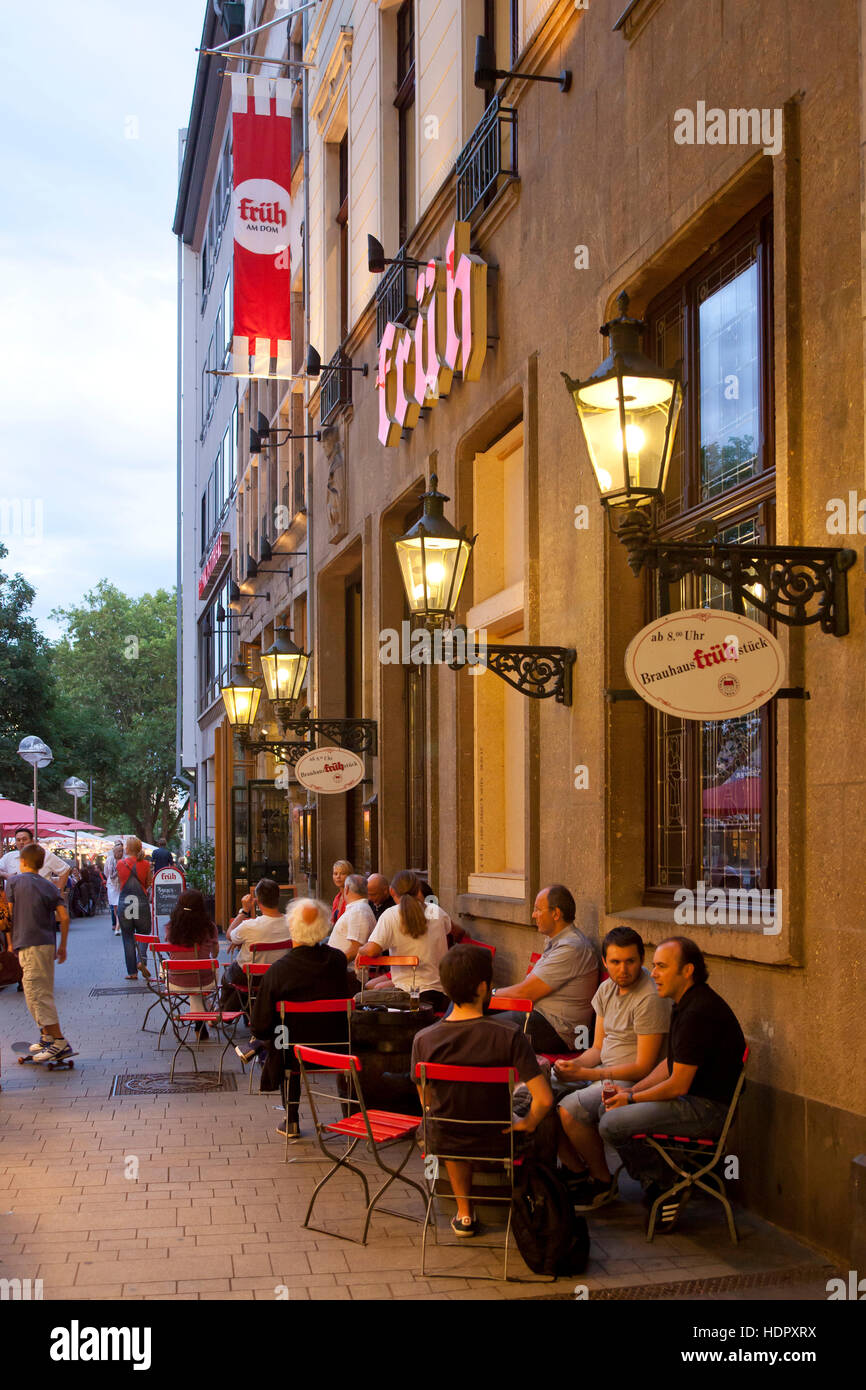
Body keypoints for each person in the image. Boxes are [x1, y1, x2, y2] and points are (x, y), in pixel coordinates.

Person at [599, 936, 746, 1231]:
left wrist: (629, 1100)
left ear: (687, 970)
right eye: (653, 966)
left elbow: (677, 1085)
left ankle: (668, 1183)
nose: (653, 973)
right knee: (610, 1114)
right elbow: (669, 1065)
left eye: (662, 966)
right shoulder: (685, 1002)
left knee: (611, 1124)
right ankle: (665, 1183)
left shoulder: (697, 1011)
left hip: (706, 1111)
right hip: (691, 1102)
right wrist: (631, 1090)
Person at [411, 944, 554, 1238]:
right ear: (483, 987)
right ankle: (534, 1200)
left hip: (443, 1137)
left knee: (448, 1116)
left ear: (447, 989)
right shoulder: (509, 1035)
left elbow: (425, 1101)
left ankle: (465, 1214)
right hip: (498, 1137)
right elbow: (545, 1100)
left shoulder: (423, 1040)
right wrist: (524, 1123)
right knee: (543, 1099)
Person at [555, 926, 671, 1206]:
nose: (624, 969)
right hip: (601, 1070)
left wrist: (589, 1074)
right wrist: (570, 1067)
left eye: (631, 961)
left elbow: (644, 1066)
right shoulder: (606, 989)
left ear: (642, 959)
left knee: (569, 1110)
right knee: (541, 1090)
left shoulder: (650, 997)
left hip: (631, 1080)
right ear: (605, 962)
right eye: (616, 962)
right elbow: (596, 1048)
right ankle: (576, 1171)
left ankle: (603, 1181)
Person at [250, 898, 352, 1139]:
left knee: (280, 1036)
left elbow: (260, 1024)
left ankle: (292, 1118)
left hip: (294, 1055)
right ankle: (350, 1117)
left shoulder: (278, 971)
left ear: (292, 929)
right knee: (284, 1035)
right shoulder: (337, 960)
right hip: (338, 1047)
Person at [491, 884, 600, 1053]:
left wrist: (489, 995)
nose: (533, 915)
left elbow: (526, 993)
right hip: (538, 1017)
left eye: (537, 909)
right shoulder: (557, 941)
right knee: (464, 1005)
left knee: (479, 1031)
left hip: (556, 1030)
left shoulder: (572, 947)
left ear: (556, 914)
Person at [7, 843, 74, 1064]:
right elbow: (63, 918)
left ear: (22, 861)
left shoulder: (14, 883)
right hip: (46, 944)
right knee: (38, 990)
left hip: (28, 943)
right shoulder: (49, 886)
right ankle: (46, 1037)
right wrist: (62, 946)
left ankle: (59, 1042)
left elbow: (9, 913)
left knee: (37, 995)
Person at [360, 870, 450, 1011]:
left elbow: (371, 950)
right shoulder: (435, 911)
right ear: (418, 889)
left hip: (407, 994)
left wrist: (360, 950)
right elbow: (451, 930)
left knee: (357, 999)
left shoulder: (391, 914)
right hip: (439, 994)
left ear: (391, 891)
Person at [221, 879, 291, 1010]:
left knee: (228, 976)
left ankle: (224, 1012)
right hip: (278, 975)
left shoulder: (249, 926)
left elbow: (229, 934)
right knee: (240, 982)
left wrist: (244, 911)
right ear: (278, 898)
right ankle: (231, 1011)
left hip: (250, 977)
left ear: (258, 902)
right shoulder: (292, 922)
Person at [164, 889, 220, 1038]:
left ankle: (201, 1022)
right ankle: (204, 1017)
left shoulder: (171, 928)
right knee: (202, 973)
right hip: (205, 981)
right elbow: (215, 954)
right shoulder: (209, 927)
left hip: (176, 981)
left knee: (192, 976)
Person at [116, 836, 153, 980]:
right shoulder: (146, 864)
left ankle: (132, 972)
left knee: (127, 937)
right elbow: (148, 882)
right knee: (143, 933)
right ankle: (141, 960)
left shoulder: (120, 863)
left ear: (127, 848)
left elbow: (120, 882)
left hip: (125, 902)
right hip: (141, 902)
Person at [328, 873, 375, 984]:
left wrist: (330, 965)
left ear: (347, 889)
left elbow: (355, 949)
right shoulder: (358, 909)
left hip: (347, 975)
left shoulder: (358, 911)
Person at [0, 828, 70, 894]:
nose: (21, 842)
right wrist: (5, 875)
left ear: (32, 841)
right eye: (18, 840)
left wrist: (59, 891)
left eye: (24, 839)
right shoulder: (9, 856)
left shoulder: (45, 855)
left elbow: (65, 869)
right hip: (15, 901)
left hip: (42, 901)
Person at [105, 839, 123, 935]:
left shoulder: (124, 860)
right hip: (112, 886)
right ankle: (118, 924)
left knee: (120, 906)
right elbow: (106, 873)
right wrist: (112, 879)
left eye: (122, 851)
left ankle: (117, 927)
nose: (121, 853)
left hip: (121, 885)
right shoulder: (109, 860)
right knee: (115, 907)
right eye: (119, 851)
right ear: (115, 851)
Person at [330, 859, 353, 925]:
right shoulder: (337, 897)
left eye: (342, 873)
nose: (338, 877)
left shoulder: (352, 897)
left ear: (349, 875)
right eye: (335, 874)